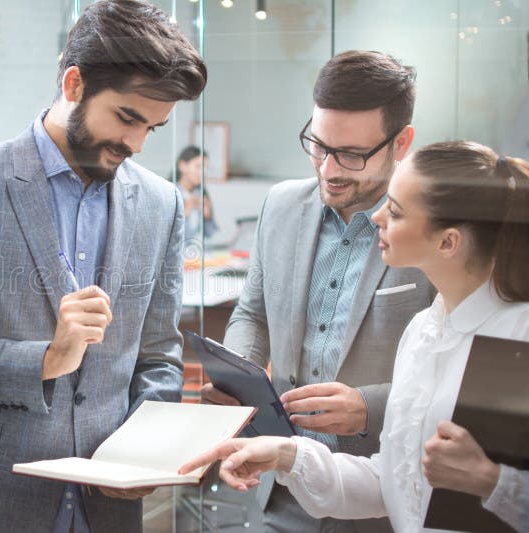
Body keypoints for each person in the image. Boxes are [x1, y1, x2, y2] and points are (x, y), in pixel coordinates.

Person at [0, 1, 207, 531]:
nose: (135, 143)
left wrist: (142, 450)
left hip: (109, 509)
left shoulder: (161, 203)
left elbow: (157, 356)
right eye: (127, 117)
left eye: (154, 127)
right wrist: (42, 360)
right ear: (74, 83)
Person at [180, 141, 529, 533]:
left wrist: (489, 481)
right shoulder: (423, 331)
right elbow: (392, 483)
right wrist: (286, 454)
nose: (377, 217)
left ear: (447, 242)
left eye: (395, 211)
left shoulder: (517, 338)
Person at [200, 50, 435, 532]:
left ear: (401, 142)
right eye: (318, 145)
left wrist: (371, 407)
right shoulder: (281, 206)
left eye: (351, 155)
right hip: (278, 486)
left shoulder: (436, 231)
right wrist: (239, 376)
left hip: (383, 493)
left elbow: (459, 371)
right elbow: (254, 312)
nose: (328, 169)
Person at [175, 145, 218, 241]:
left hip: (195, 251)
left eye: (206, 168)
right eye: (198, 166)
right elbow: (166, 234)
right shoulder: (171, 193)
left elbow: (209, 233)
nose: (203, 172)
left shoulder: (200, 193)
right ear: (182, 166)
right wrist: (185, 211)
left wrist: (207, 216)